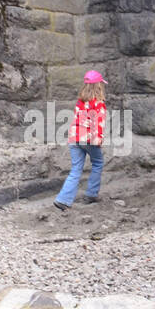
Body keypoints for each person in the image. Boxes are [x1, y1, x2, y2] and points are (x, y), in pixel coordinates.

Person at [54, 70, 106, 212]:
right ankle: (91, 194)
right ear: (99, 86)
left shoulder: (80, 101)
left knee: (76, 169)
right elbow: (97, 123)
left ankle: (62, 200)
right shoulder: (98, 103)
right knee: (98, 163)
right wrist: (98, 141)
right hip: (88, 138)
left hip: (74, 137)